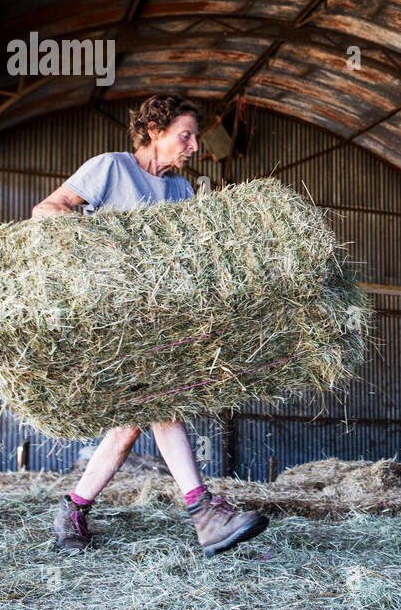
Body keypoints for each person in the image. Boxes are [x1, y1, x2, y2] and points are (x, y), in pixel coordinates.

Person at [32, 93, 268, 557]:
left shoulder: (180, 191)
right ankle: (204, 514)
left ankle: (72, 511)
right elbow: (47, 211)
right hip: (115, 320)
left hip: (160, 322)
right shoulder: (110, 168)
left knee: (128, 427)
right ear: (155, 131)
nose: (195, 145)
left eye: (195, 136)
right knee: (164, 405)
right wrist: (108, 247)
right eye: (186, 135)